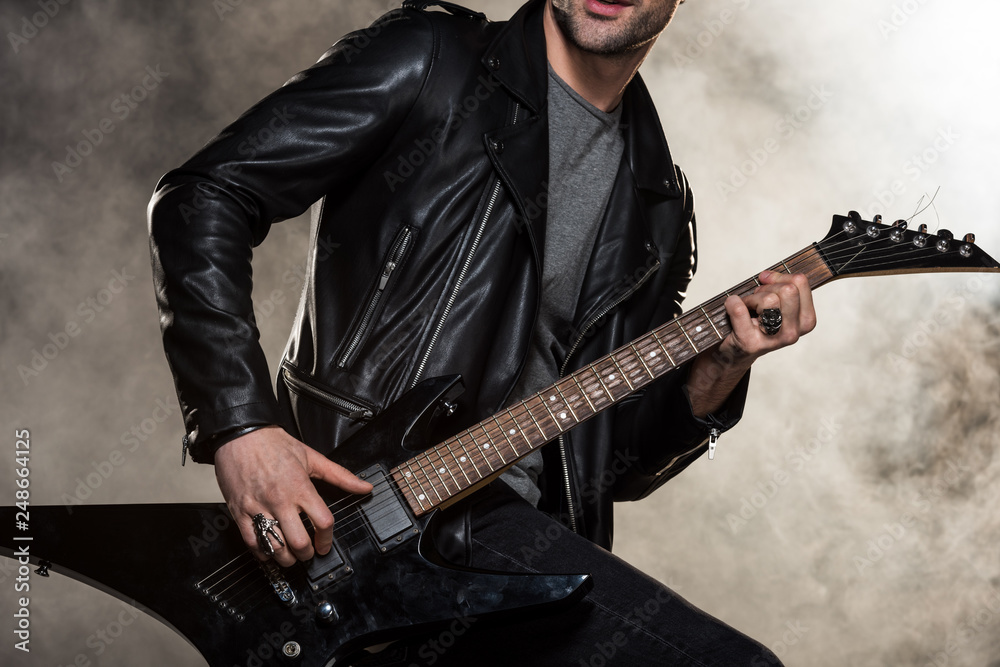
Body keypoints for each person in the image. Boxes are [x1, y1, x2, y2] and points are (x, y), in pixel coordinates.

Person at [148, 0, 816, 663]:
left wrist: (722, 363)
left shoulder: (657, 200)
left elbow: (615, 462)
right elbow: (204, 196)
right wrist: (241, 426)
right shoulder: (433, 58)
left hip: (517, 556)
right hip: (364, 508)